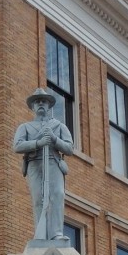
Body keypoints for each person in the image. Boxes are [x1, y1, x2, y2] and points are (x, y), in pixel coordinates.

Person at [13, 87, 74, 241]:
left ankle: (56, 233)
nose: (41, 104)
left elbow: (69, 148)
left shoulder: (58, 126)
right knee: (38, 198)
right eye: (37, 101)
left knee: (57, 195)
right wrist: (38, 143)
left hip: (53, 163)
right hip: (34, 163)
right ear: (33, 106)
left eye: (44, 101)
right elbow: (18, 146)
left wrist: (54, 139)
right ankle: (40, 234)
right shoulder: (25, 127)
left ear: (49, 106)